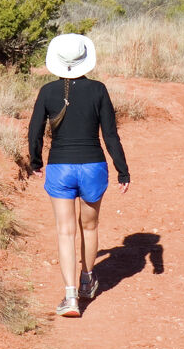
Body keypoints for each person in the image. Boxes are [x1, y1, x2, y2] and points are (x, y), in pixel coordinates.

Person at [26, 33, 129, 317]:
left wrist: (35, 161)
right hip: (93, 167)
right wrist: (123, 170)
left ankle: (70, 298)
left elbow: (34, 131)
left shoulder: (47, 92)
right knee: (90, 228)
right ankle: (87, 280)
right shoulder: (99, 90)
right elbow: (110, 134)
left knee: (65, 231)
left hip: (60, 168)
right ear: (85, 60)